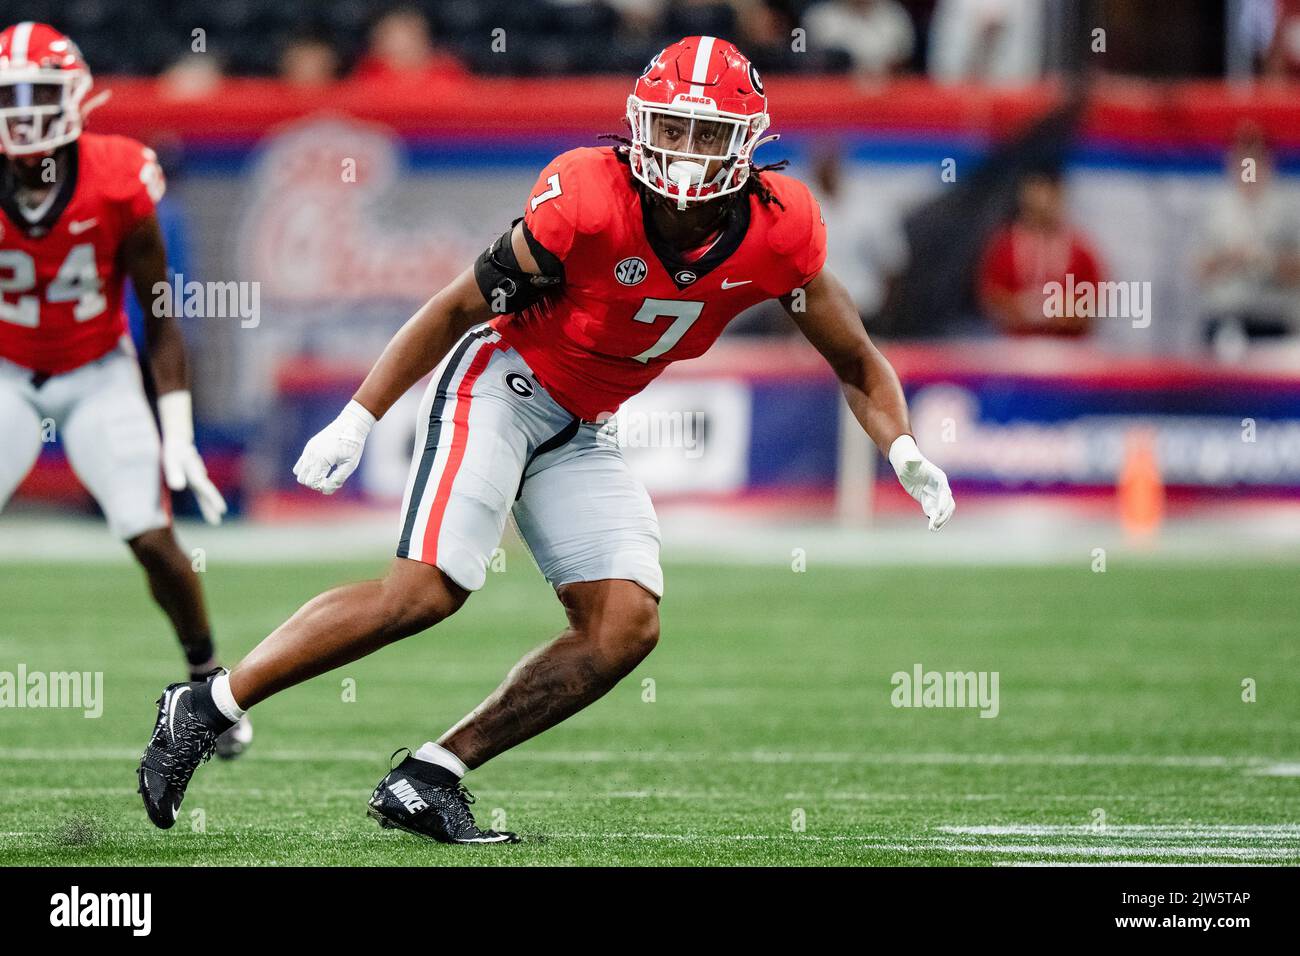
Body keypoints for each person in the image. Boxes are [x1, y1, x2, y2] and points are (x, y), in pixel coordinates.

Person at [138, 36, 955, 844]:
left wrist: (904, 450)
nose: (685, 151)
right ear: (640, 125)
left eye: (708, 134)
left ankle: (431, 775)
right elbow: (461, 305)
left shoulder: (779, 231)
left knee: (623, 625)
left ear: (748, 144)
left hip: (581, 427)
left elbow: (855, 359)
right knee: (427, 589)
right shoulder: (588, 197)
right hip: (502, 385)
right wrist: (361, 414)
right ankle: (205, 707)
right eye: (671, 128)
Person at [0, 23, 250, 755]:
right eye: (7, 98)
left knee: (150, 535)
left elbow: (161, 315)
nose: (21, 114)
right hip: (8, 371)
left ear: (76, 99)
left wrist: (177, 433)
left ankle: (208, 681)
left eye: (36, 96)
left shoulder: (119, 177)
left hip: (98, 371)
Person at [977, 168, 1103, 337]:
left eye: (1048, 192)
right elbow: (990, 297)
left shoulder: (1080, 251)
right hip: (1013, 347)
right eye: (1035, 191)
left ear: (1059, 195)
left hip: (1066, 348)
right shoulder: (1003, 248)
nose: (1041, 200)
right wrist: (1022, 309)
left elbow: (1093, 303)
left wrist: (1062, 312)